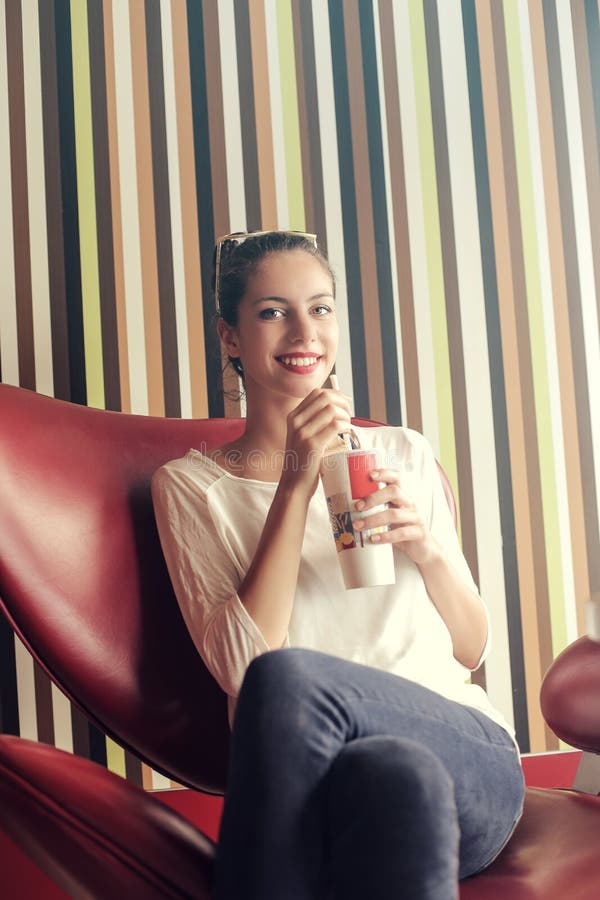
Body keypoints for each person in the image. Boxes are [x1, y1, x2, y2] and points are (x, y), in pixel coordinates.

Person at [151, 230, 524, 900]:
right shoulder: (190, 488)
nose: (303, 331)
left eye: (320, 308)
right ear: (230, 336)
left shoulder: (401, 452)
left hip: (472, 759)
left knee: (294, 679)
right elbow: (243, 671)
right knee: (392, 774)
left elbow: (472, 647)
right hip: (340, 791)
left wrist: (426, 548)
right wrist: (296, 482)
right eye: (272, 312)